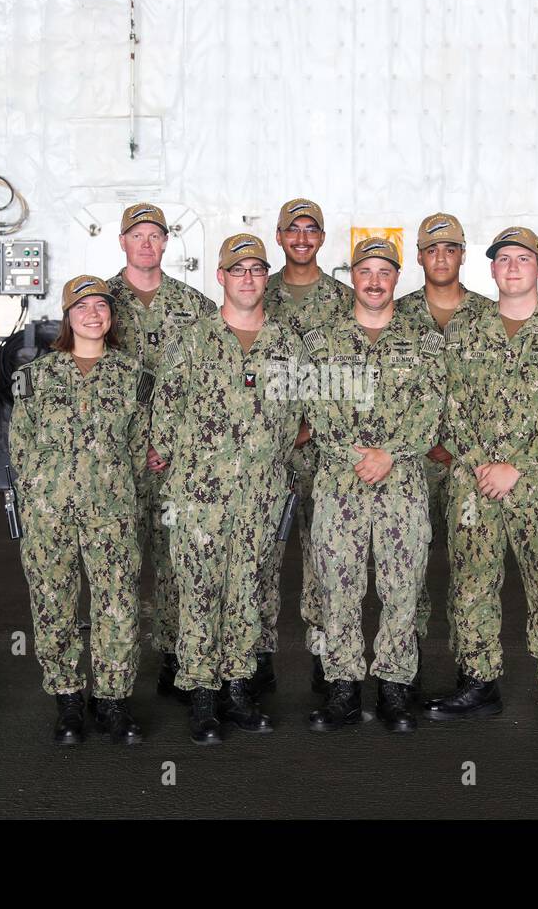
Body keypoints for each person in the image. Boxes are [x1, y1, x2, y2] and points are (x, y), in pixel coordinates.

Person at [423, 226, 538, 737]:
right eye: (503, 260)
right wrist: (481, 464)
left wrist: (517, 466)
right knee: (472, 585)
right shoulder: (464, 331)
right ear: (492, 270)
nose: (513, 267)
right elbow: (447, 408)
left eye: (523, 259)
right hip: (475, 485)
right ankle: (479, 683)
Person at [150, 234, 304, 745]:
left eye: (257, 270)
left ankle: (238, 688)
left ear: (266, 277)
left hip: (262, 491)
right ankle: (201, 694)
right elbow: (165, 414)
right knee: (198, 591)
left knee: (248, 589)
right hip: (200, 493)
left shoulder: (287, 344)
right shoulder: (191, 340)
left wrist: (275, 457)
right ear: (220, 277)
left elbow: (305, 415)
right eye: (237, 270)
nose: (248, 278)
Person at [305, 237, 445, 734]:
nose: (374, 281)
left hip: (402, 484)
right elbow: (318, 413)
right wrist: (358, 455)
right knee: (338, 588)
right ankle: (342, 687)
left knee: (401, 589)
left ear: (396, 278)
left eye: (385, 272)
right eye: (366, 271)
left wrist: (391, 452)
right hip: (340, 484)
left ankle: (394, 686)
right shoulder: (321, 344)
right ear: (353, 276)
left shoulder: (424, 342)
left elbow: (431, 410)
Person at [9, 276, 149, 746]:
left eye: (102, 306)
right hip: (49, 516)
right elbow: (20, 447)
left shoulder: (135, 377)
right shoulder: (34, 376)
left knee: (117, 605)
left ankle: (112, 699)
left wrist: (122, 496)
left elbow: (138, 451)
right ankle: (68, 697)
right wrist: (35, 501)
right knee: (54, 605)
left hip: (112, 512)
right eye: (82, 306)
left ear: (112, 316)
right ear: (67, 315)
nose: (93, 314)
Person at [104, 203, 216, 702]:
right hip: (117, 459)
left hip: (176, 460)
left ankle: (175, 657)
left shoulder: (195, 306)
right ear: (122, 241)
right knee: (117, 561)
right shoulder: (97, 302)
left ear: (167, 243)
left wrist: (173, 442)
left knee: (178, 561)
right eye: (137, 235)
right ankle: (116, 667)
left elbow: (211, 384)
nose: (146, 243)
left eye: (155, 235)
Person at [257, 198, 352, 697]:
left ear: (321, 237)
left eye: (310, 229)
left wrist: (310, 426)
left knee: (325, 558)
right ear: (279, 237)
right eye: (291, 230)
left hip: (323, 452)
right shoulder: (257, 292)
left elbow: (353, 374)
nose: (301, 237)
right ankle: (256, 658)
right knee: (260, 554)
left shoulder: (342, 300)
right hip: (265, 453)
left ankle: (325, 660)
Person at [394, 212, 493, 663]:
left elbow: (499, 396)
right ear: (419, 256)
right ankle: (405, 665)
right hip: (411, 463)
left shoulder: (489, 315)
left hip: (467, 465)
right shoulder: (397, 315)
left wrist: (458, 446)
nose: (440, 257)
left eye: (449, 248)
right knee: (406, 570)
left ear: (462, 255)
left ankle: (472, 669)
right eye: (432, 249)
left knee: (472, 569)